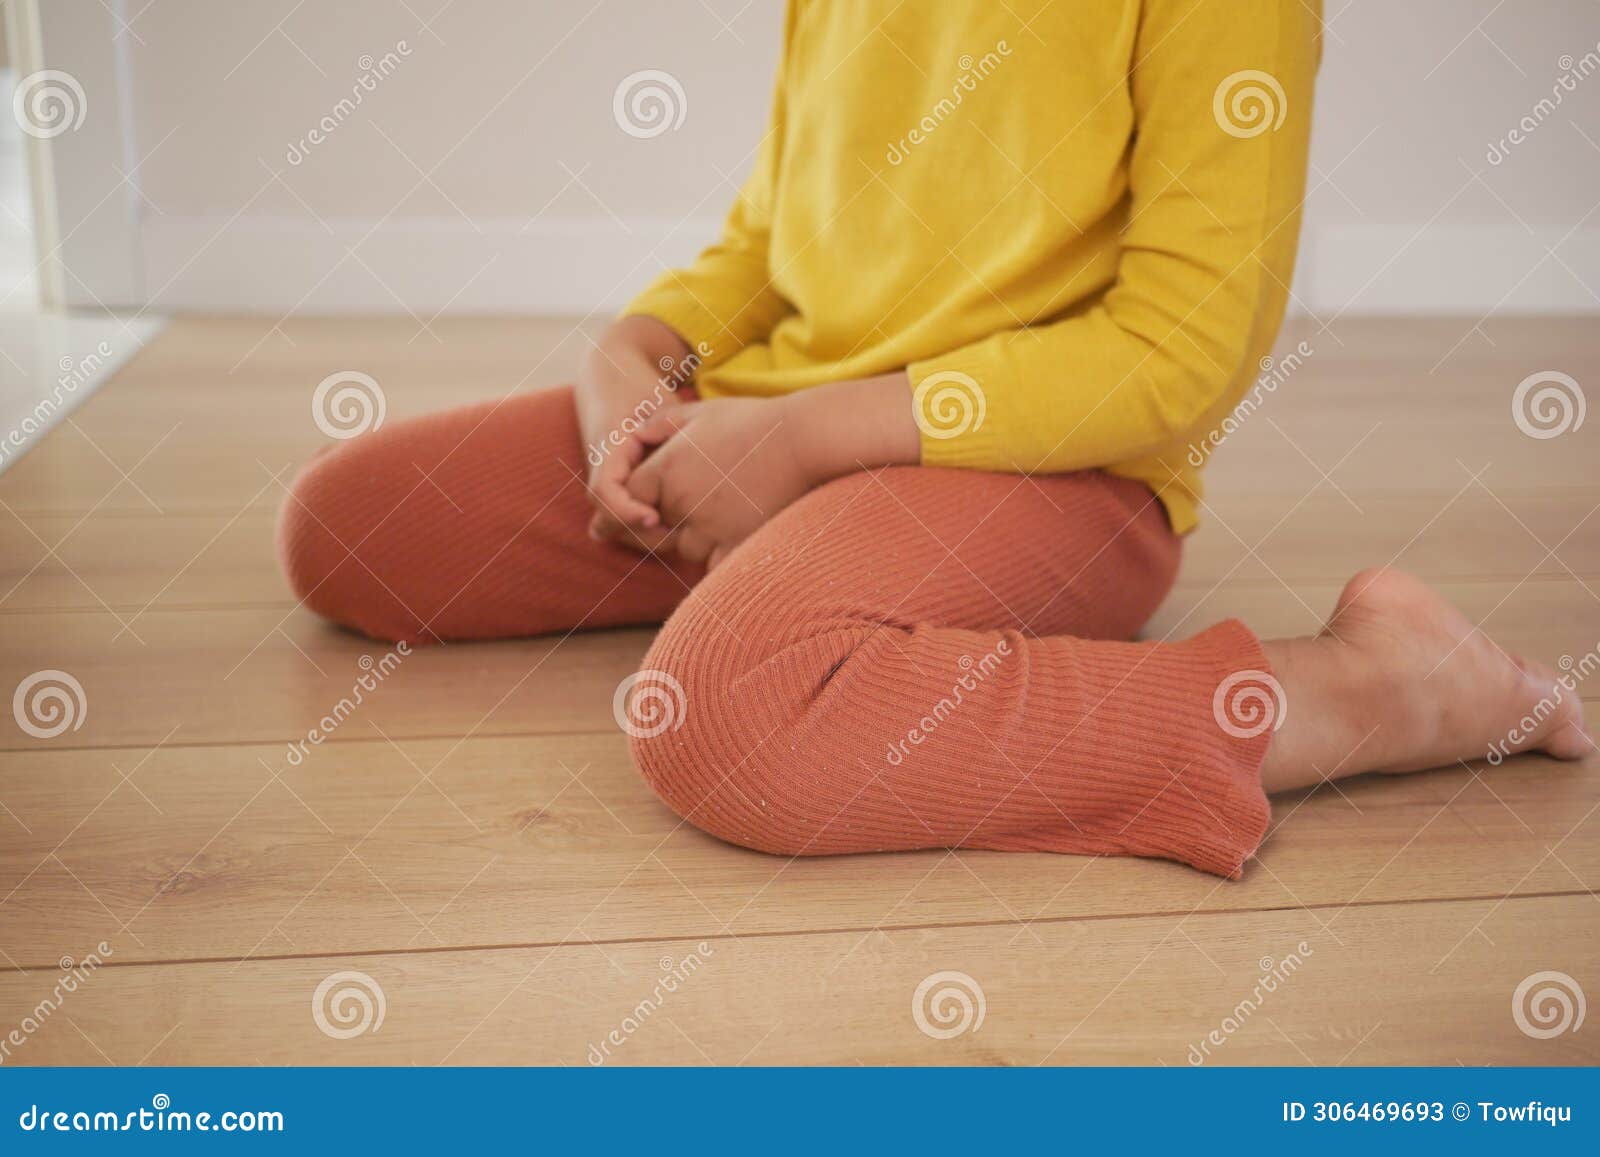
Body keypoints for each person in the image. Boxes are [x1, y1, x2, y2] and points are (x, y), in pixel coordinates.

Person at [278, 0, 1590, 878]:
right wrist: (634, 352)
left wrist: (805, 440)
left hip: (1056, 469)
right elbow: (772, 235)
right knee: (351, 527)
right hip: (789, 412)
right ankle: (814, 584)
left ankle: (1370, 687)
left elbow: (1179, 356)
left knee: (722, 717)